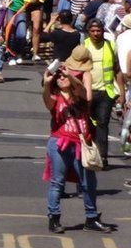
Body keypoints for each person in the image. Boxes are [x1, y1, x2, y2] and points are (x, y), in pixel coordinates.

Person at [42, 63, 111, 234]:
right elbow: (46, 100)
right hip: (60, 143)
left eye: (64, 76)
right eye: (59, 77)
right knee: (57, 182)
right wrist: (46, 83)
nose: (62, 78)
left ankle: (91, 218)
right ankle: (54, 218)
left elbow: (81, 89)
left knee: (88, 183)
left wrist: (71, 75)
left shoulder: (81, 98)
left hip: (81, 145)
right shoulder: (55, 99)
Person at [84, 19, 125, 169]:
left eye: (98, 31)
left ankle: (103, 157)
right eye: (93, 31)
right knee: (87, 124)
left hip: (105, 92)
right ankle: (89, 154)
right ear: (88, 32)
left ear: (103, 31)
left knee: (103, 124)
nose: (96, 34)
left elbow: (117, 70)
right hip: (87, 92)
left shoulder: (110, 45)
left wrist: (122, 92)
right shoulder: (84, 46)